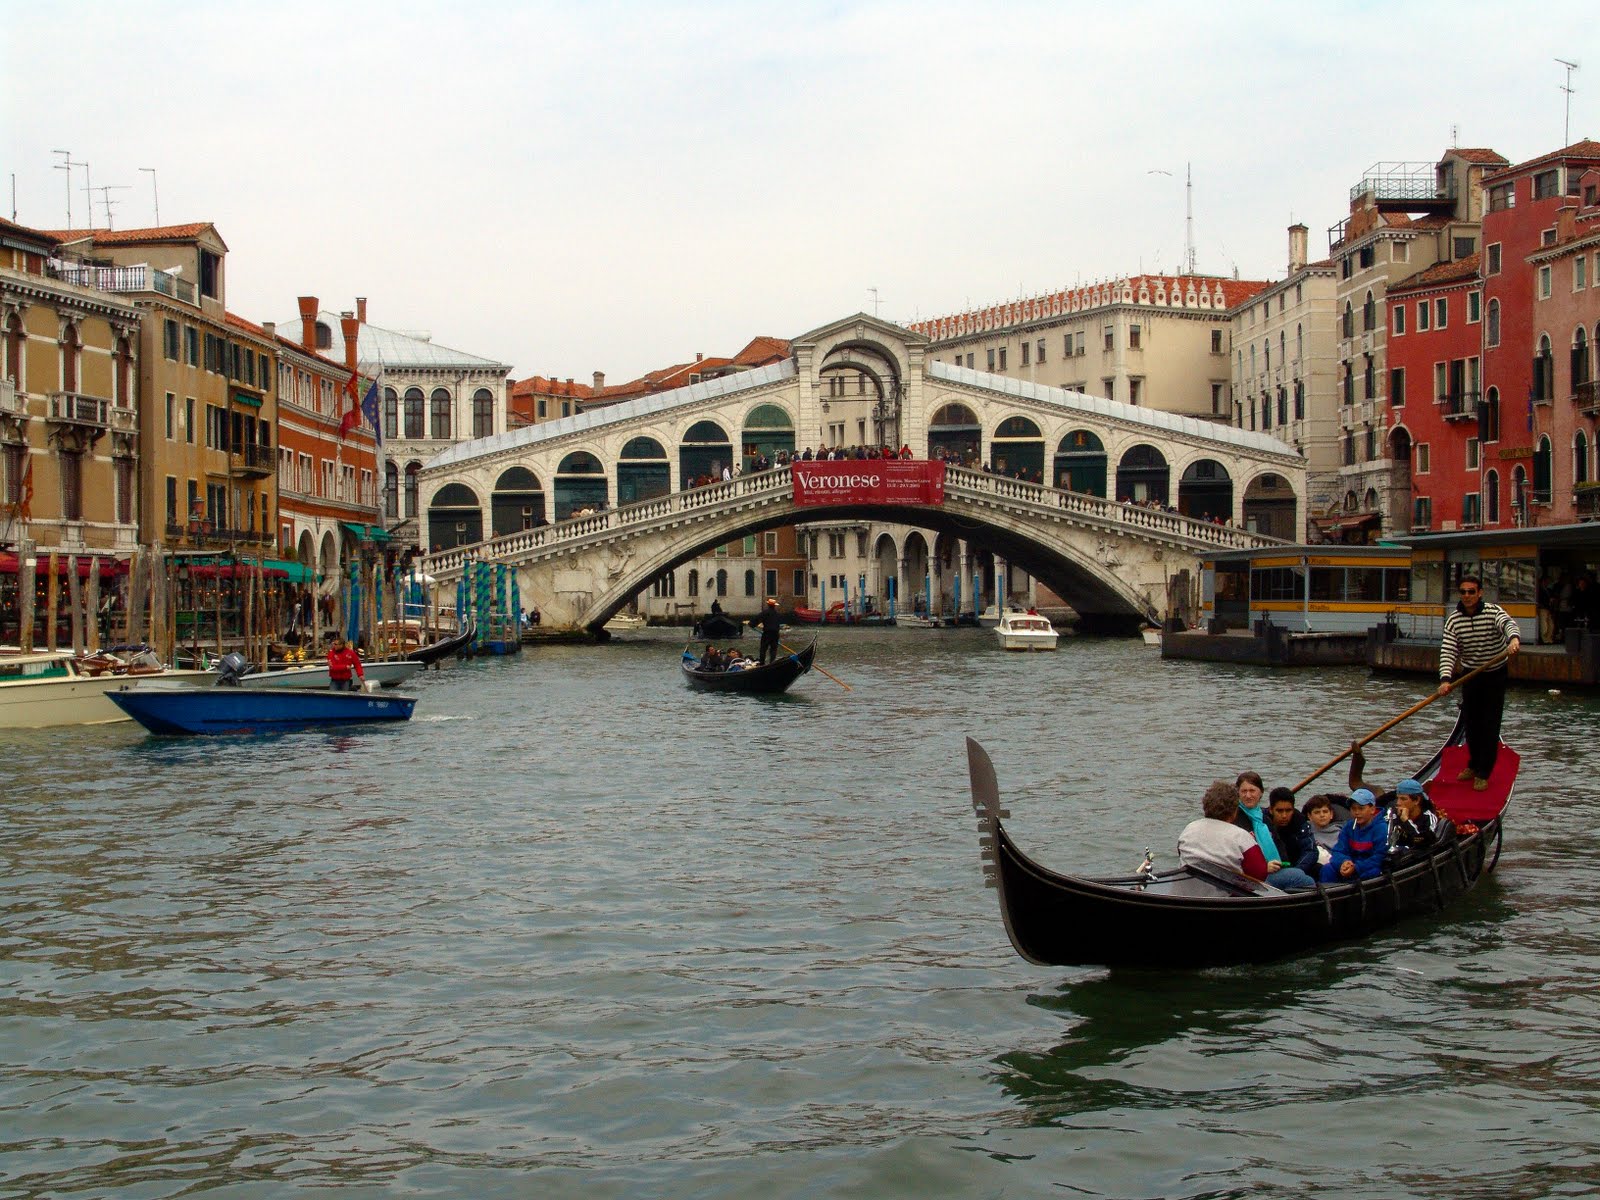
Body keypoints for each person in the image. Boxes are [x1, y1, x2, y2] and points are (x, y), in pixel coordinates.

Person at [1437, 575, 1521, 790]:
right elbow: (1448, 650)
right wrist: (1445, 679)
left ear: (1480, 593)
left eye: (1471, 591)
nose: (1467, 595)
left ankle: (1484, 771)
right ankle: (1473, 765)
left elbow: (1508, 624)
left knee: (1489, 725)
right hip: (1471, 674)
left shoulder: (1493, 612)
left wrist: (1513, 639)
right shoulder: (1454, 620)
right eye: (1463, 592)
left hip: (1495, 673)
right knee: (1471, 723)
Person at [1177, 780, 1269, 882]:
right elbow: (1260, 874)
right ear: (1235, 811)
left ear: (1205, 806)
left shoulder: (1189, 828)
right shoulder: (1241, 836)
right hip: (1225, 895)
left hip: (1183, 892)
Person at [1318, 788, 1389, 882]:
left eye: (1361, 808)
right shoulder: (1349, 826)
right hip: (1350, 865)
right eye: (1353, 809)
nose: (1357, 812)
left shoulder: (1381, 828)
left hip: (1367, 868)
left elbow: (1379, 857)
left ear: (1372, 809)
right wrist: (1343, 862)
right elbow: (1338, 851)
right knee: (1327, 869)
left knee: (1373, 872)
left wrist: (1356, 868)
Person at [1265, 786, 1319, 891]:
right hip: (1270, 869)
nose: (1284, 815)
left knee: (1318, 869)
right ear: (1271, 810)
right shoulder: (1261, 822)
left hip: (1296, 865)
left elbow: (1310, 850)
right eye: (1279, 811)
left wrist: (1296, 871)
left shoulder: (1300, 821)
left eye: (1288, 810)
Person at [1389, 779, 1450, 858]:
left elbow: (1420, 841)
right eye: (1398, 798)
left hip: (1415, 858)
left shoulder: (1428, 818)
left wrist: (1406, 821)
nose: (1398, 803)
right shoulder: (1392, 814)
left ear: (1417, 800)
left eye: (1403, 799)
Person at [1302, 794, 1345, 866]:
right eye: (1317, 812)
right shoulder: (1305, 831)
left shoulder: (1340, 832)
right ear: (1309, 816)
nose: (1322, 815)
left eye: (1325, 811)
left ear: (1331, 814)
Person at [752, 597, 782, 665]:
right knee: (773, 650)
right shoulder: (777, 614)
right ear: (774, 606)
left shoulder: (765, 613)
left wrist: (751, 624)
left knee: (763, 648)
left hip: (767, 633)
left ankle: (762, 663)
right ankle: (772, 662)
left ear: (768, 605)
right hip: (775, 634)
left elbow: (756, 619)